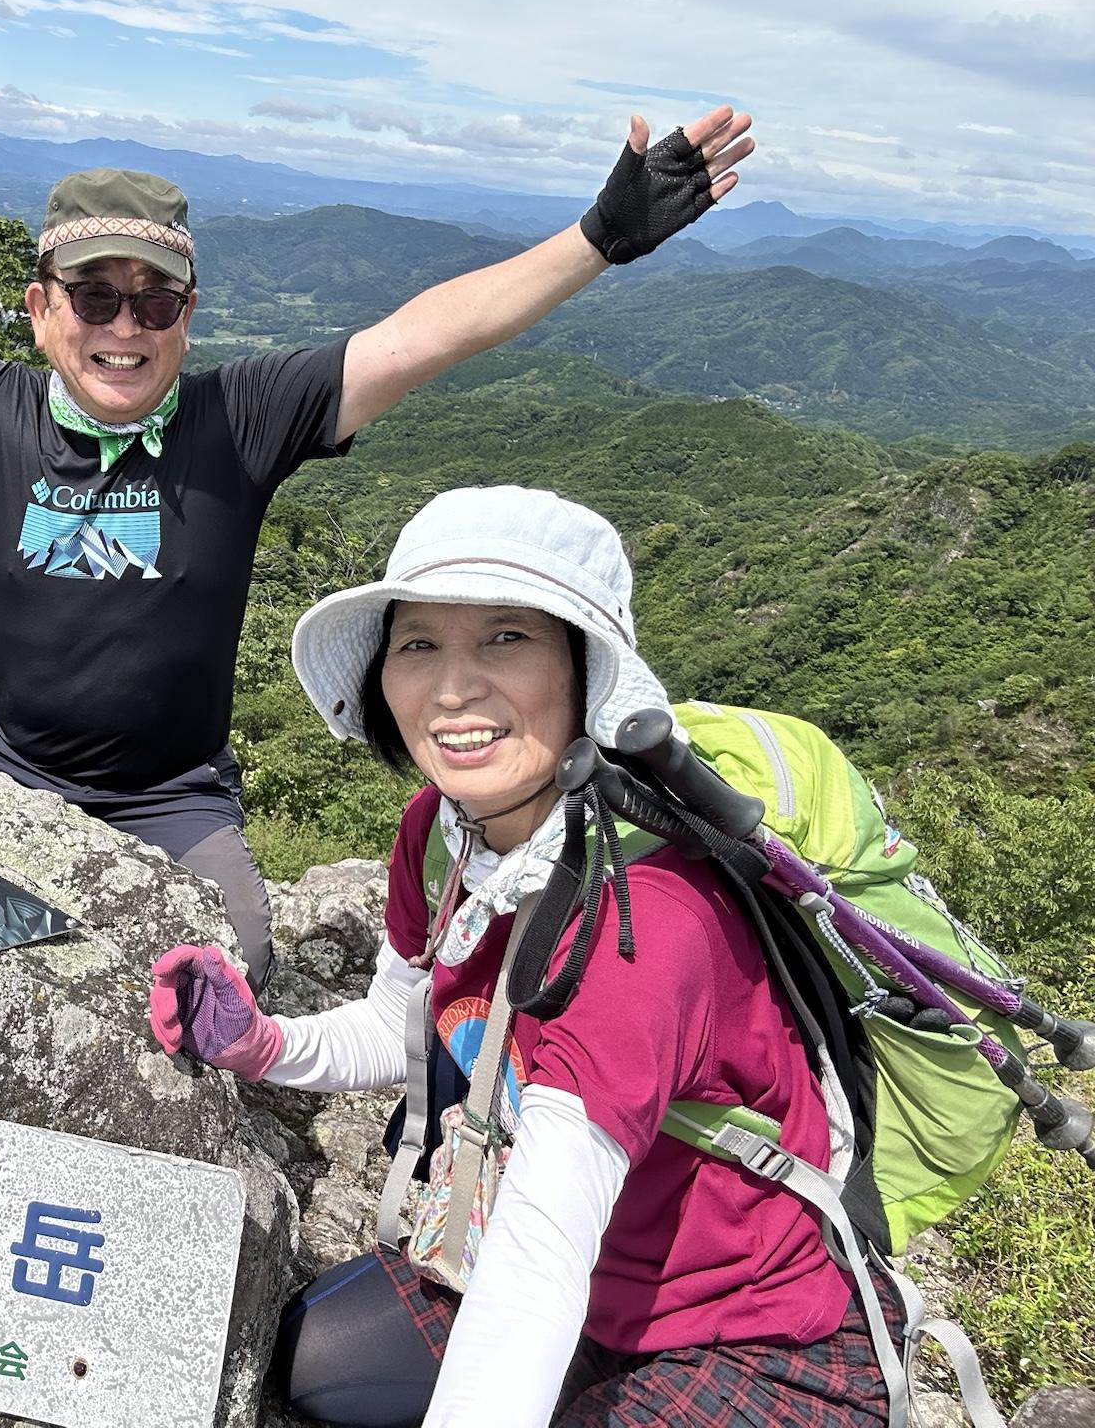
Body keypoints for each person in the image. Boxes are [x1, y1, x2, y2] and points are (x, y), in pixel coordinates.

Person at [0, 99, 753, 990]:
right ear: (41, 308)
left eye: (155, 298)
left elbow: (425, 334)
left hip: (171, 794)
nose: (124, 325)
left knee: (234, 975)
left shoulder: (242, 419)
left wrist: (599, 236)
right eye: (94, 295)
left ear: (187, 314)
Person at [147, 485, 899, 1427]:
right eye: (419, 644)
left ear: (586, 673)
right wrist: (263, 1045)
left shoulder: (646, 917)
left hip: (744, 1335)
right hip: (556, 1276)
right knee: (306, 1361)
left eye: (507, 637)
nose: (453, 689)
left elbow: (542, 1251)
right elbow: (405, 1023)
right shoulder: (444, 832)